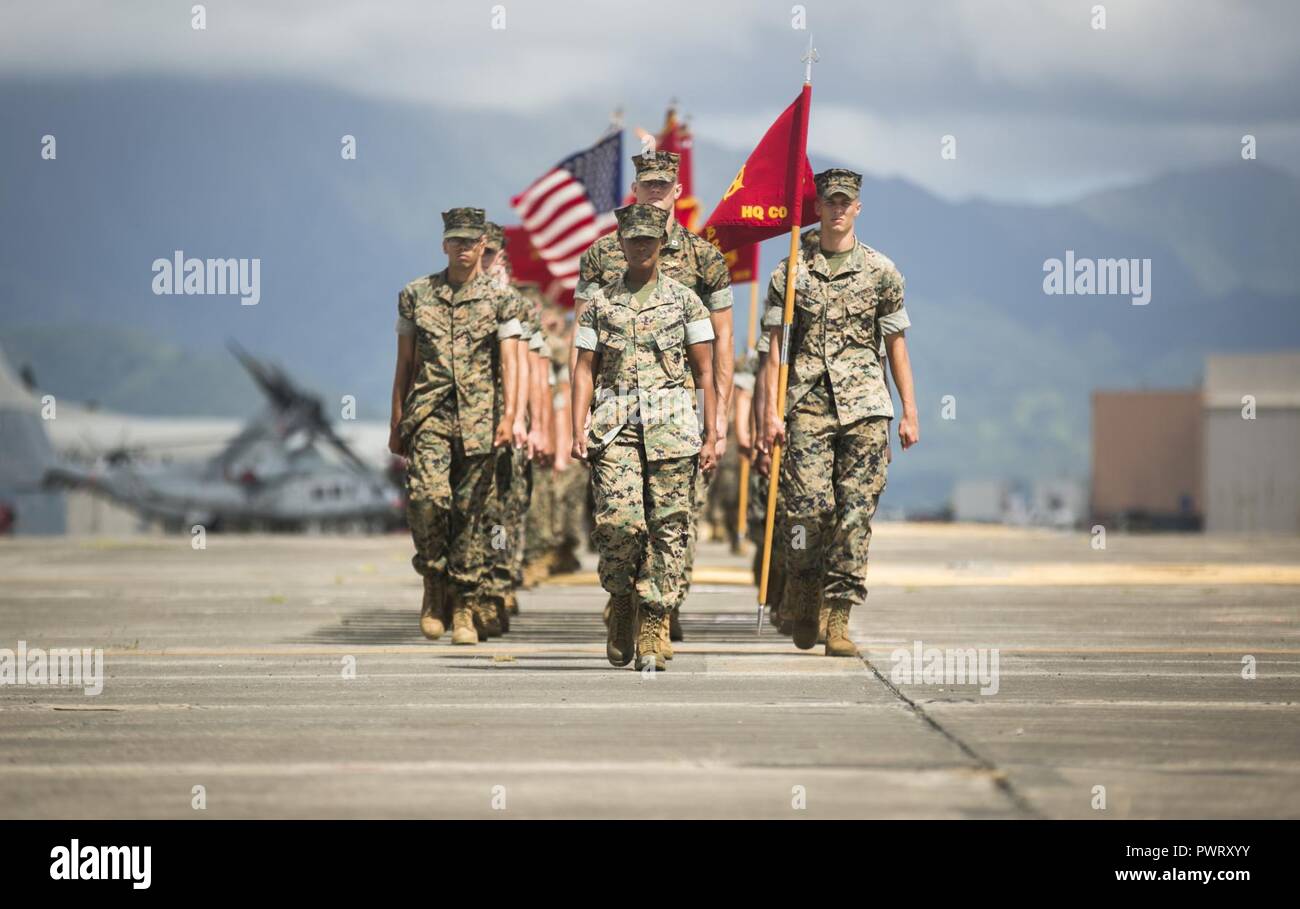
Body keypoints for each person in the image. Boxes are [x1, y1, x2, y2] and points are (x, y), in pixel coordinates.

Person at [573, 150, 734, 652]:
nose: (656, 194)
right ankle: (621, 600)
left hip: (674, 421)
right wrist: (574, 426)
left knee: (671, 526)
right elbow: (582, 361)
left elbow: (712, 360)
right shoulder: (600, 271)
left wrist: (717, 426)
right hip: (615, 418)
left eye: (664, 186)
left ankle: (657, 619)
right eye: (648, 185)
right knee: (619, 522)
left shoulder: (699, 271)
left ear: (676, 191)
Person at [759, 169, 919, 657]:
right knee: (807, 512)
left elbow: (896, 345)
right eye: (830, 201)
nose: (838, 210)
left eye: (846, 202)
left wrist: (909, 412)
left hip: (867, 407)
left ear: (858, 209)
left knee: (855, 515)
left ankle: (838, 616)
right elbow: (774, 349)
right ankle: (803, 589)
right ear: (819, 207)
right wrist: (769, 411)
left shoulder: (882, 272)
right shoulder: (790, 273)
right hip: (806, 404)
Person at [389, 207, 524, 645]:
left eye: (471, 242)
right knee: (428, 499)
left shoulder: (502, 301)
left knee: (470, 515)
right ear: (444, 244)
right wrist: (397, 419)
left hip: (481, 419)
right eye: (456, 241)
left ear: (483, 245)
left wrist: (510, 416)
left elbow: (510, 363)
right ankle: (433, 583)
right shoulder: (416, 295)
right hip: (429, 413)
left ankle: (463, 604)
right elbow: (405, 363)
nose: (464, 249)